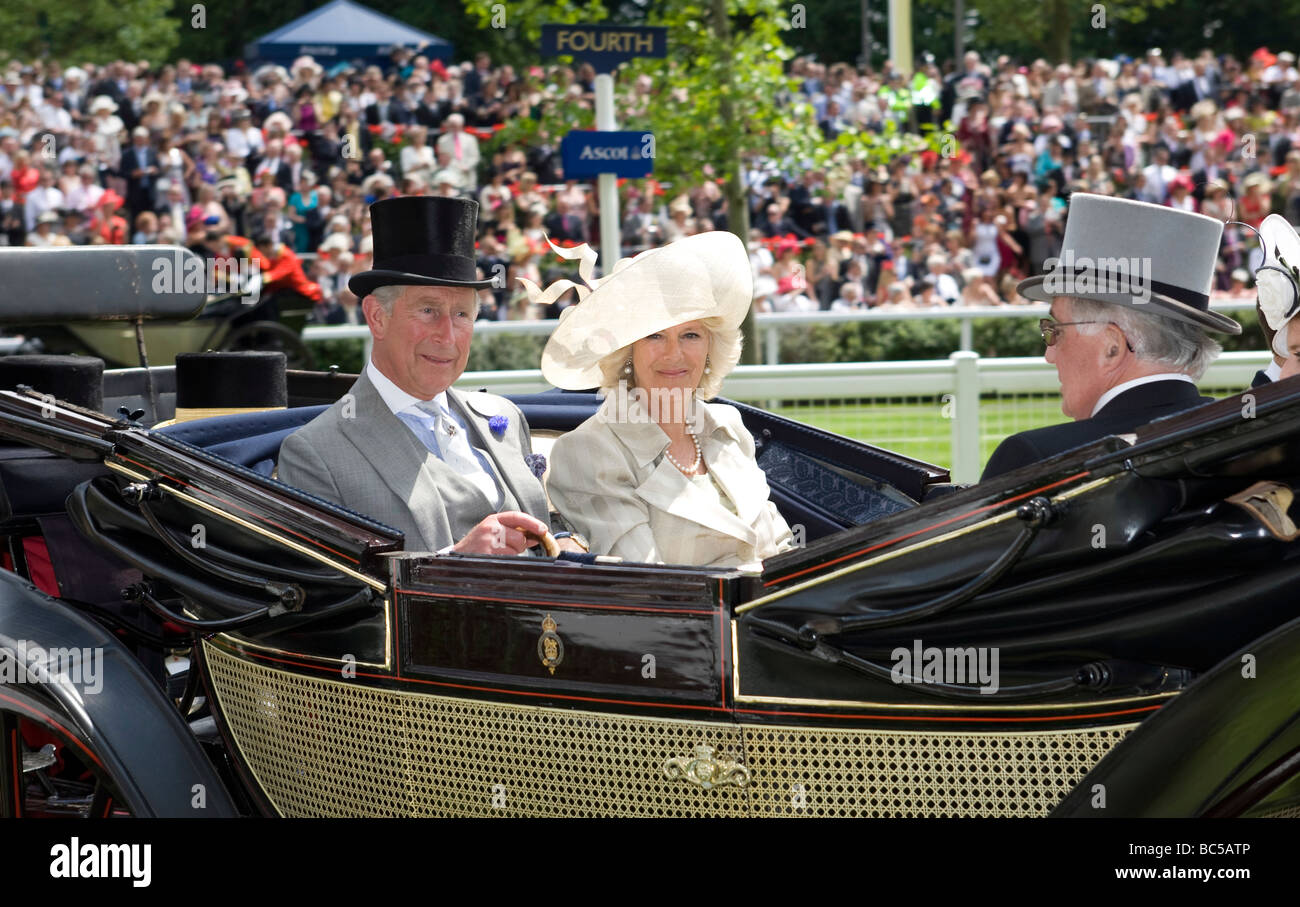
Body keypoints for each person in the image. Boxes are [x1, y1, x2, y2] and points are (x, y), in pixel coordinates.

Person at [278, 196, 570, 556]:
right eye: (428, 310)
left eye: (462, 314)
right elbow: (334, 597)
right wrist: (456, 562)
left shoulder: (504, 416)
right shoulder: (316, 453)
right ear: (376, 317)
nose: (447, 336)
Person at [534, 232, 795, 568]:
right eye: (655, 336)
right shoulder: (591, 451)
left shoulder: (729, 427)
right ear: (627, 352)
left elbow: (783, 548)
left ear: (710, 348)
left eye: (690, 335)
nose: (675, 354)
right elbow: (650, 585)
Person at [981, 194, 1242, 481]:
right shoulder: (1246, 439)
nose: (1049, 354)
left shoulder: (1036, 458)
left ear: (1112, 347)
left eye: (1055, 331)